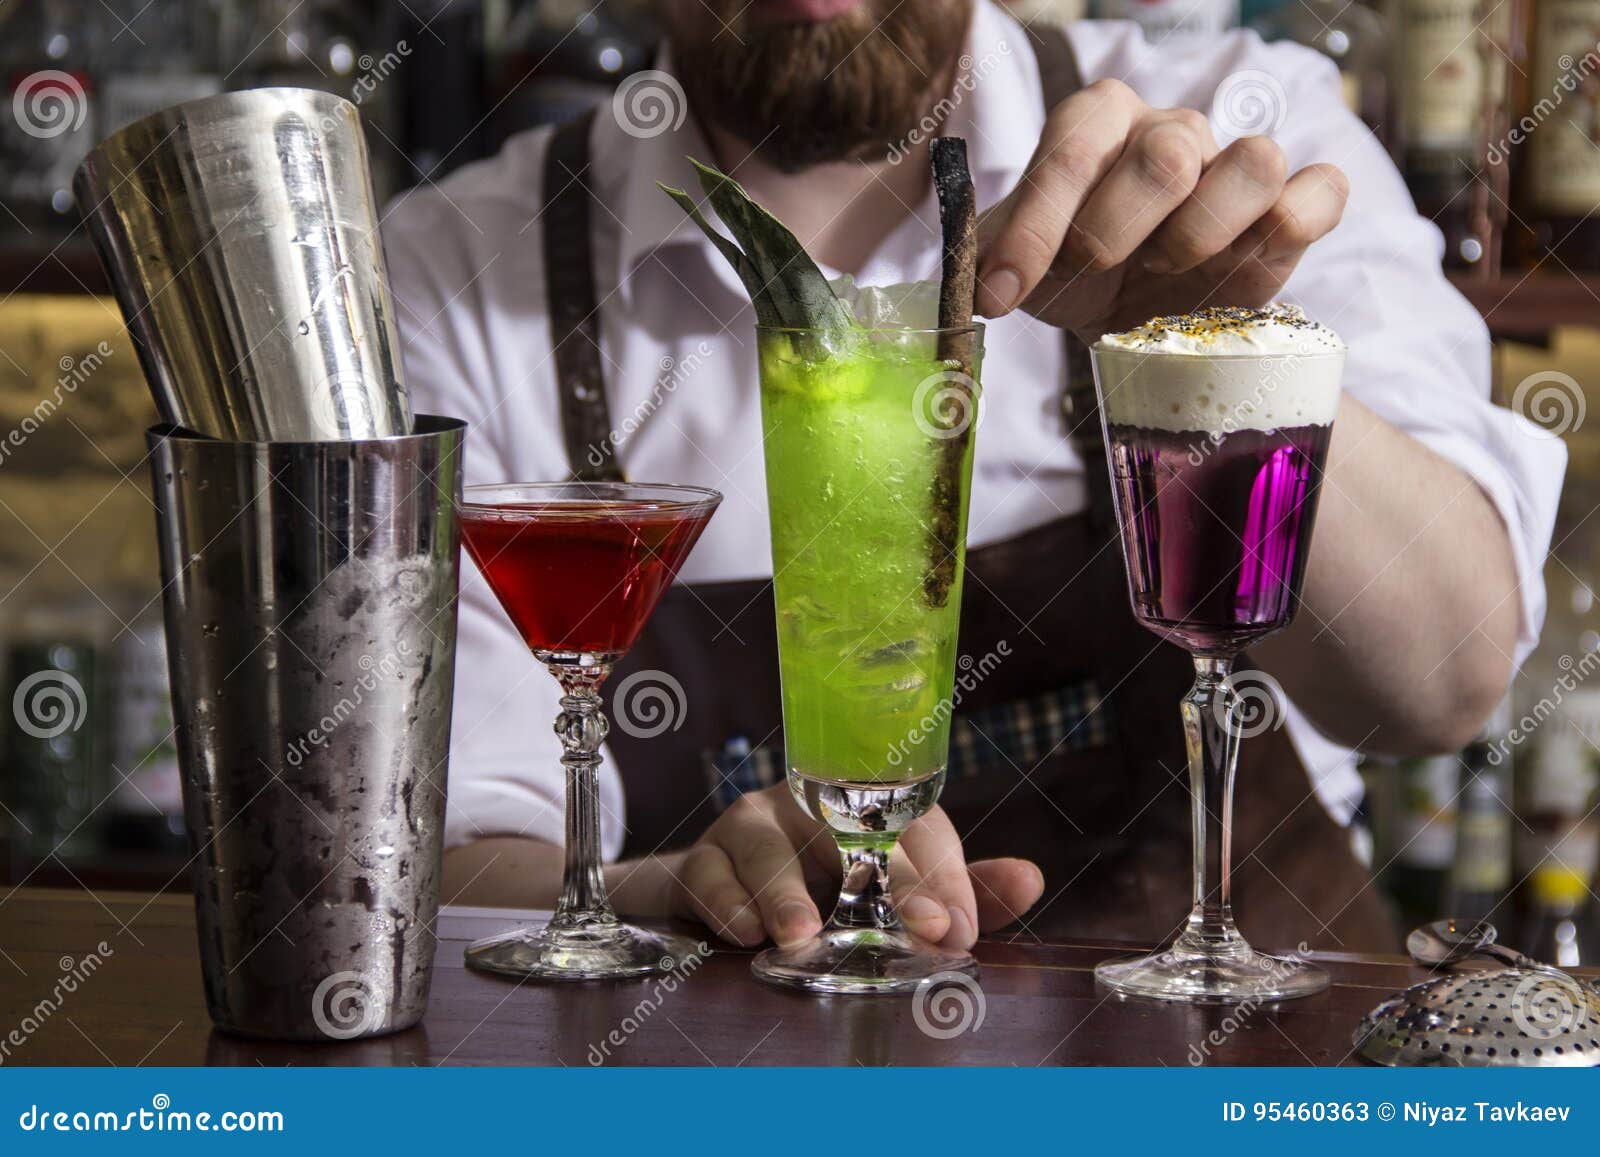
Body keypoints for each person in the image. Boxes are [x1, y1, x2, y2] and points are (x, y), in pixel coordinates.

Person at [383, 0, 1563, 954]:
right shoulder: (450, 272)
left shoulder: (1228, 127)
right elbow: (452, 847)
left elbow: (1439, 689)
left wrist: (1219, 347)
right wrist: (667, 890)